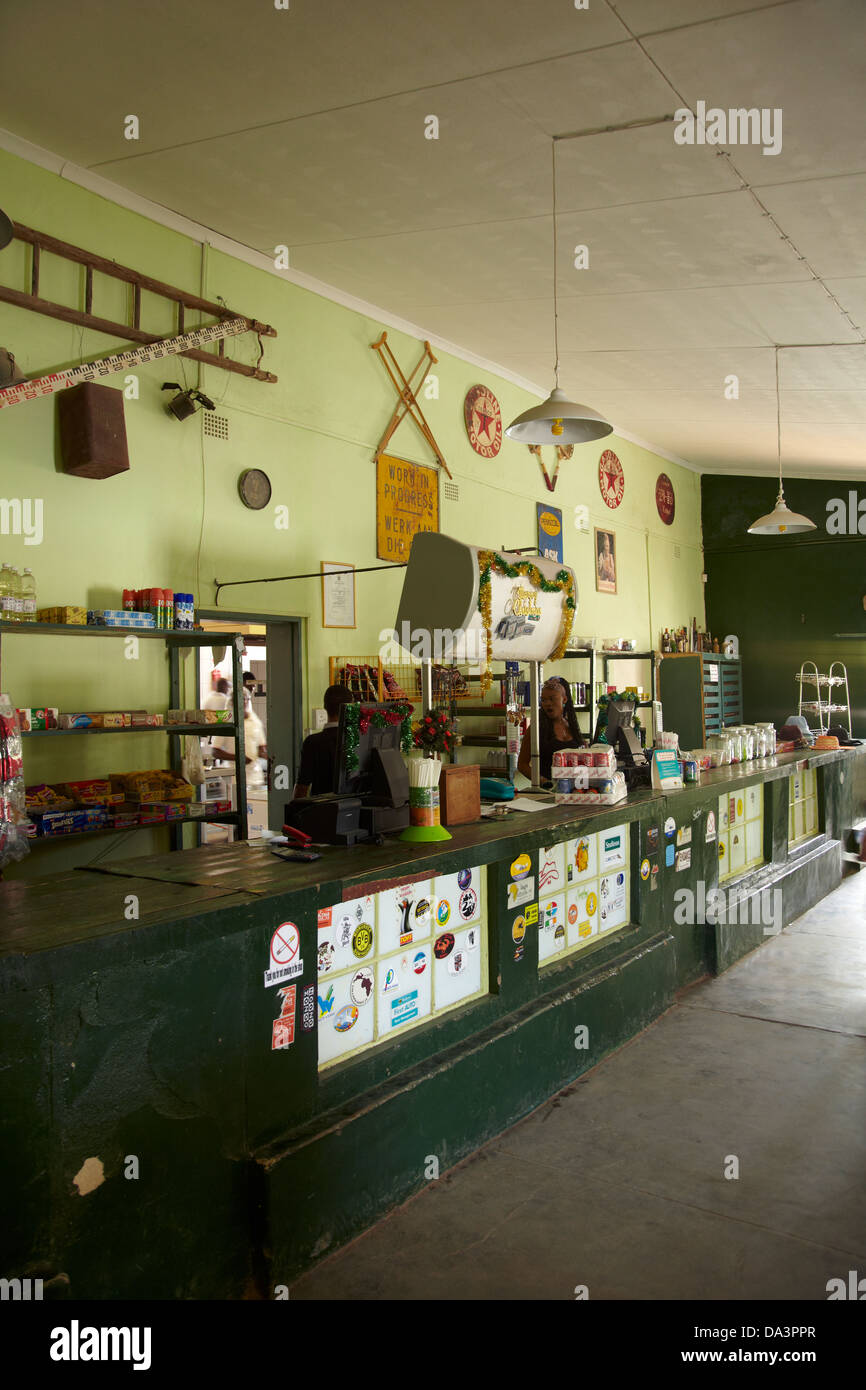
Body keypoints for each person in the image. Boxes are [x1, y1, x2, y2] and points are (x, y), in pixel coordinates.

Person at [518, 675, 587, 783]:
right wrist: (543, 782)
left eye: (552, 699)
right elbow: (522, 765)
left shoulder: (571, 726)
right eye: (544, 700)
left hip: (574, 790)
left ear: (564, 699)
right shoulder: (536, 729)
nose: (548, 703)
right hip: (548, 792)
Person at [292, 685, 354, 799]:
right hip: (354, 809)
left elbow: (302, 787)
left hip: (321, 810)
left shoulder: (312, 742)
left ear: (325, 707)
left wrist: (294, 812)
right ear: (350, 707)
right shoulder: (356, 739)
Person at [212, 687, 268, 790]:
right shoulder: (226, 719)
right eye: (240, 699)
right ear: (232, 702)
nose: (244, 702)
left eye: (246, 699)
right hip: (233, 779)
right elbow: (215, 751)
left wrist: (268, 756)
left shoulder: (254, 720)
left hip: (255, 778)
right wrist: (240, 758)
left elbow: (261, 748)